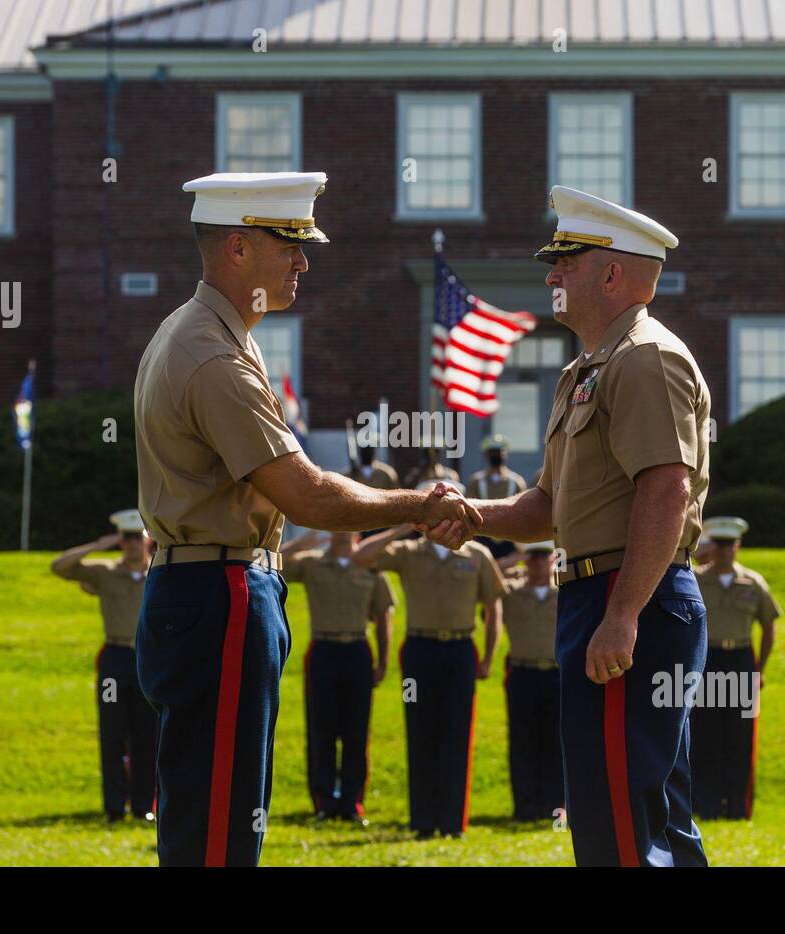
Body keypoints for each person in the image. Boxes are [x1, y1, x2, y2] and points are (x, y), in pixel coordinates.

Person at [133, 170, 480, 866]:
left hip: (207, 589)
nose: (304, 260)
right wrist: (417, 505)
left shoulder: (204, 333)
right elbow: (307, 495)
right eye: (288, 242)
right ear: (236, 248)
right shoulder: (214, 355)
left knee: (212, 811)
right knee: (221, 824)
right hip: (220, 594)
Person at [420, 184, 711, 867]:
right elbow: (547, 507)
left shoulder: (644, 356)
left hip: (626, 597)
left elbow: (665, 492)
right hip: (597, 595)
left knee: (622, 819)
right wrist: (473, 514)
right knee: (640, 810)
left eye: (566, 262)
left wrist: (623, 614)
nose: (551, 276)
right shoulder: (588, 368)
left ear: (612, 272)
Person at [351, 498, 504, 839]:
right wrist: (405, 524)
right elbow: (359, 556)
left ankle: (452, 824)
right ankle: (422, 821)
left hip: (461, 650)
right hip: (419, 652)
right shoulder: (407, 552)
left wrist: (490, 656)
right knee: (419, 731)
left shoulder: (476, 556)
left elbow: (494, 608)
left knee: (457, 735)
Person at [281, 529, 395, 825]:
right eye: (337, 523)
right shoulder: (312, 562)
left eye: (349, 523)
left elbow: (384, 615)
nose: (343, 530)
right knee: (322, 730)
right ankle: (323, 802)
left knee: (356, 731)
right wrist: (306, 540)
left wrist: (383, 661)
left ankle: (351, 802)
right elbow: (274, 562)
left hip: (357, 648)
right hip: (323, 650)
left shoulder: (370, 565)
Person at [50, 509, 157, 823]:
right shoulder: (106, 572)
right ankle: (114, 807)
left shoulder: (160, 574)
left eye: (138, 537)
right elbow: (59, 567)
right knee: (112, 733)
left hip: (148, 658)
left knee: (147, 735)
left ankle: (143, 806)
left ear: (149, 541)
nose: (133, 544)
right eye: (127, 538)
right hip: (116, 658)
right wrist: (99, 544)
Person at [691, 516, 781, 820]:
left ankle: (737, 807)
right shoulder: (698, 580)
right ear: (712, 546)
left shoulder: (753, 583)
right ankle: (706, 805)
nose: (726, 550)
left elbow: (769, 626)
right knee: (704, 734)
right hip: (707, 661)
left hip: (741, 659)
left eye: (731, 545)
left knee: (739, 737)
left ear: (738, 546)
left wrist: (761, 669)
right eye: (720, 544)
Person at [500, 540, 562, 822]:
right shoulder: (511, 593)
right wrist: (515, 557)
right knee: (522, 742)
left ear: (551, 560)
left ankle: (556, 807)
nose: (537, 563)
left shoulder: (564, 594)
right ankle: (525, 807)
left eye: (542, 557)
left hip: (555, 674)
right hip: (522, 673)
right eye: (532, 557)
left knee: (556, 742)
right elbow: (486, 575)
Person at [466, 434, 528, 561]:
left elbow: (524, 511)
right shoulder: (476, 481)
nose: (497, 455)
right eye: (493, 452)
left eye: (500, 452)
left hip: (510, 537)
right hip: (483, 537)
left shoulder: (516, 481)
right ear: (486, 455)